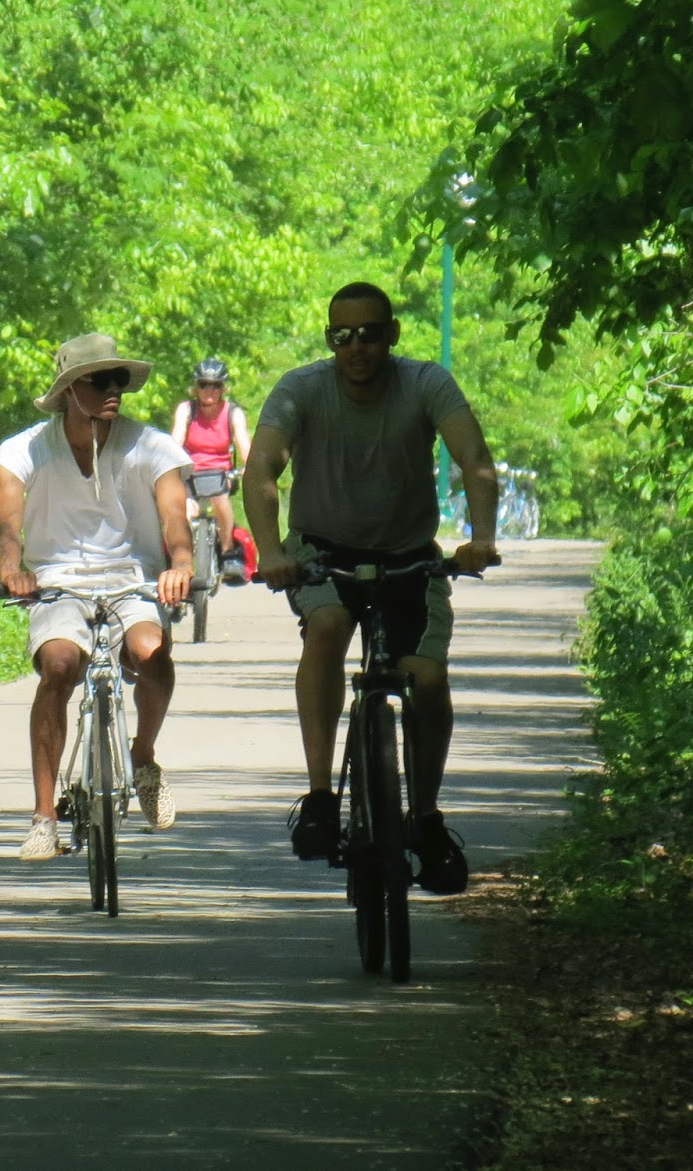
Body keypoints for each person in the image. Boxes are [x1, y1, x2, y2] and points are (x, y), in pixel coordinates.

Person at [242, 282, 499, 895]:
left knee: (428, 680)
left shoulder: (426, 383)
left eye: (369, 334)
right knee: (327, 629)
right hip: (321, 555)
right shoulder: (302, 389)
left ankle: (428, 821)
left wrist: (481, 538)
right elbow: (262, 469)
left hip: (409, 558)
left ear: (392, 334)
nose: (356, 348)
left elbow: (474, 458)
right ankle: (321, 798)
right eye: (341, 336)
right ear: (330, 340)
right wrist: (273, 553)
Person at [0, 333, 194, 861]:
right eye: (98, 380)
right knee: (58, 666)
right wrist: (13, 571)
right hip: (59, 580)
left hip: (134, 577)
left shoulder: (150, 445)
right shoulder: (25, 450)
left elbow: (174, 513)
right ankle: (43, 817)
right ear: (67, 390)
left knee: (151, 652)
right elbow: (6, 520)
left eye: (118, 380)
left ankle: (143, 758)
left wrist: (181, 565)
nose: (113, 390)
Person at [171, 357, 252, 581]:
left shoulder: (232, 413)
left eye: (216, 385)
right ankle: (181, 562)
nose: (210, 390)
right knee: (186, 512)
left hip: (220, 473)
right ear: (196, 386)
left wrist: (252, 467)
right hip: (189, 472)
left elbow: (244, 443)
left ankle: (227, 552)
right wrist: (168, 464)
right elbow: (175, 441)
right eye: (204, 384)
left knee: (219, 500)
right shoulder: (186, 410)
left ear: (223, 388)